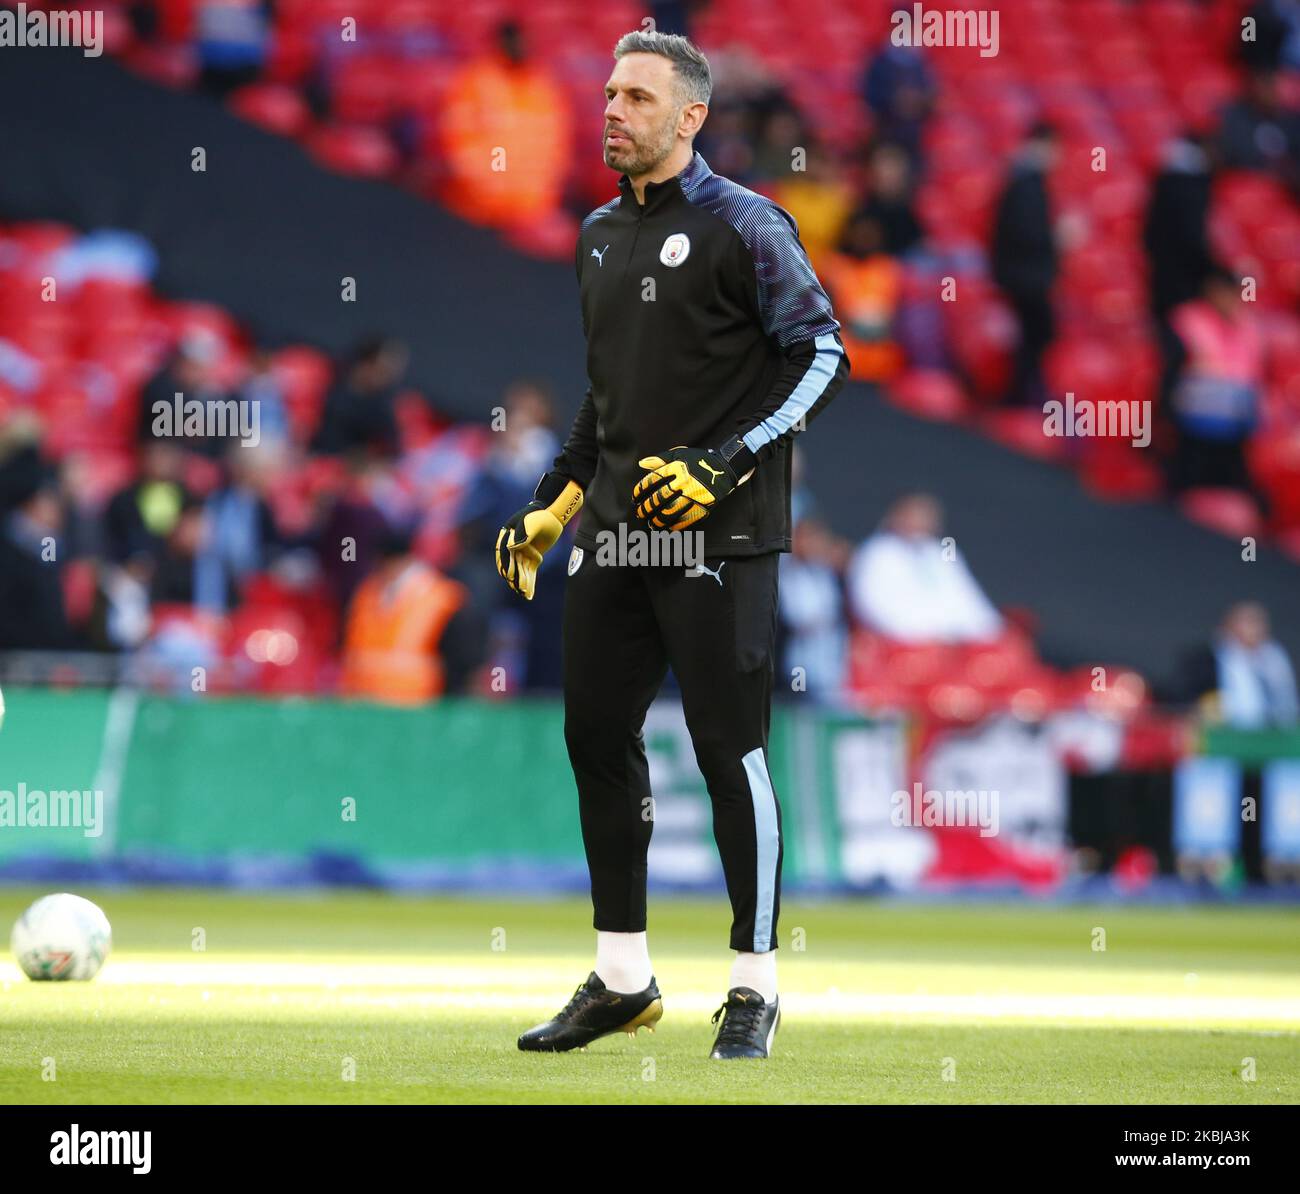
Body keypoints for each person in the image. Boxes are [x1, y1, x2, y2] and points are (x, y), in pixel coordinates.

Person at [495, 31, 849, 1059]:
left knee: (728, 750)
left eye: (638, 97)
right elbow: (606, 404)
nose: (613, 109)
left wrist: (722, 464)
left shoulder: (748, 226)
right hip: (612, 544)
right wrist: (554, 507)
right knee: (595, 743)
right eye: (608, 91)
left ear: (689, 117)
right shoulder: (598, 232)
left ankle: (753, 986)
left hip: (720, 542)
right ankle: (620, 978)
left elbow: (822, 355)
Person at [848, 493, 1002, 643]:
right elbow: (876, 606)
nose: (921, 522)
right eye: (915, 515)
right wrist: (931, 633)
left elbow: (964, 594)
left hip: (954, 637)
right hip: (905, 639)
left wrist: (984, 629)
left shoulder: (944, 550)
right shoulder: (876, 552)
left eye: (927, 516)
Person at [1166, 267, 1264, 496]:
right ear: (1212, 291)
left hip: (1237, 413)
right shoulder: (1188, 319)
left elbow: (1252, 372)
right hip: (1195, 409)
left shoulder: (1249, 325)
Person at [991, 123, 1060, 407]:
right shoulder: (1026, 183)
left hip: (1023, 273)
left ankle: (1022, 394)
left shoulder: (1026, 180)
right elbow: (1025, 232)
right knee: (1036, 334)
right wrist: (1056, 236)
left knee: (1036, 335)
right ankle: (1020, 396)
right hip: (1023, 276)